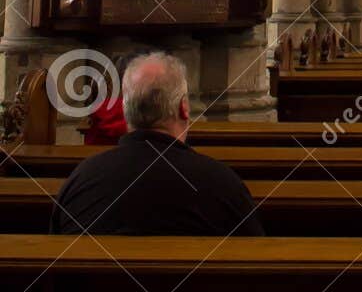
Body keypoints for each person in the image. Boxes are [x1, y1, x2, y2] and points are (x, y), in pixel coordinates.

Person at [52, 53, 264, 237]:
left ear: (126, 111)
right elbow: (255, 265)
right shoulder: (222, 184)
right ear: (184, 108)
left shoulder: (81, 182)